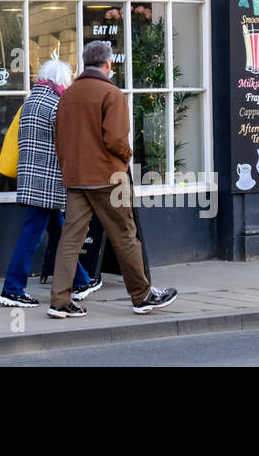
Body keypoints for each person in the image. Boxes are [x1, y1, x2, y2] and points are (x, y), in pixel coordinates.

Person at [47, 40, 178, 318]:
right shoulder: (111, 93)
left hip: (75, 177)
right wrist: (126, 156)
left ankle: (59, 301)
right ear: (108, 64)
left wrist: (68, 166)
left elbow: (59, 140)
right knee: (125, 236)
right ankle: (141, 296)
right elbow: (116, 139)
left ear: (85, 63)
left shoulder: (67, 95)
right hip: (108, 177)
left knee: (71, 239)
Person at [0, 59, 102, 309]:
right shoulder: (57, 104)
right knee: (31, 235)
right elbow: (72, 141)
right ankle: (12, 289)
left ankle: (80, 280)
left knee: (59, 230)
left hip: (31, 176)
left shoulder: (31, 100)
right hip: (48, 179)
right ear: (62, 80)